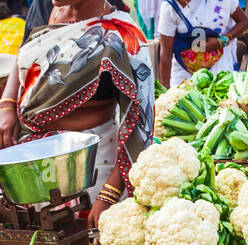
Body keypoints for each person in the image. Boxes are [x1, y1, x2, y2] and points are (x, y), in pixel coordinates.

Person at [0, 0, 152, 227]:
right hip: (29, 159)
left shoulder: (123, 35)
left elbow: (140, 124)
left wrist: (109, 194)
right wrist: (7, 105)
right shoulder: (45, 7)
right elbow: (25, 48)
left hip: (87, 165)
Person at [156, 0, 248, 88]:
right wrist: (165, 92)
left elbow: (244, 22)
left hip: (219, 73)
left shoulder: (221, 2)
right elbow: (166, 54)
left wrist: (222, 41)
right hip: (184, 78)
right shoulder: (169, 8)